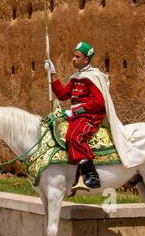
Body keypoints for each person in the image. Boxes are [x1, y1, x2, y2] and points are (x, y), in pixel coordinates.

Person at [43, 41, 105, 190]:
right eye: (73, 56)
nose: (73, 59)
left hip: (91, 116)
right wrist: (53, 74)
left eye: (77, 56)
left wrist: (76, 110)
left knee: (74, 136)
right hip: (77, 116)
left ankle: (92, 176)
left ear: (86, 59)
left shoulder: (93, 77)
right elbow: (63, 95)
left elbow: (98, 103)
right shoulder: (76, 77)